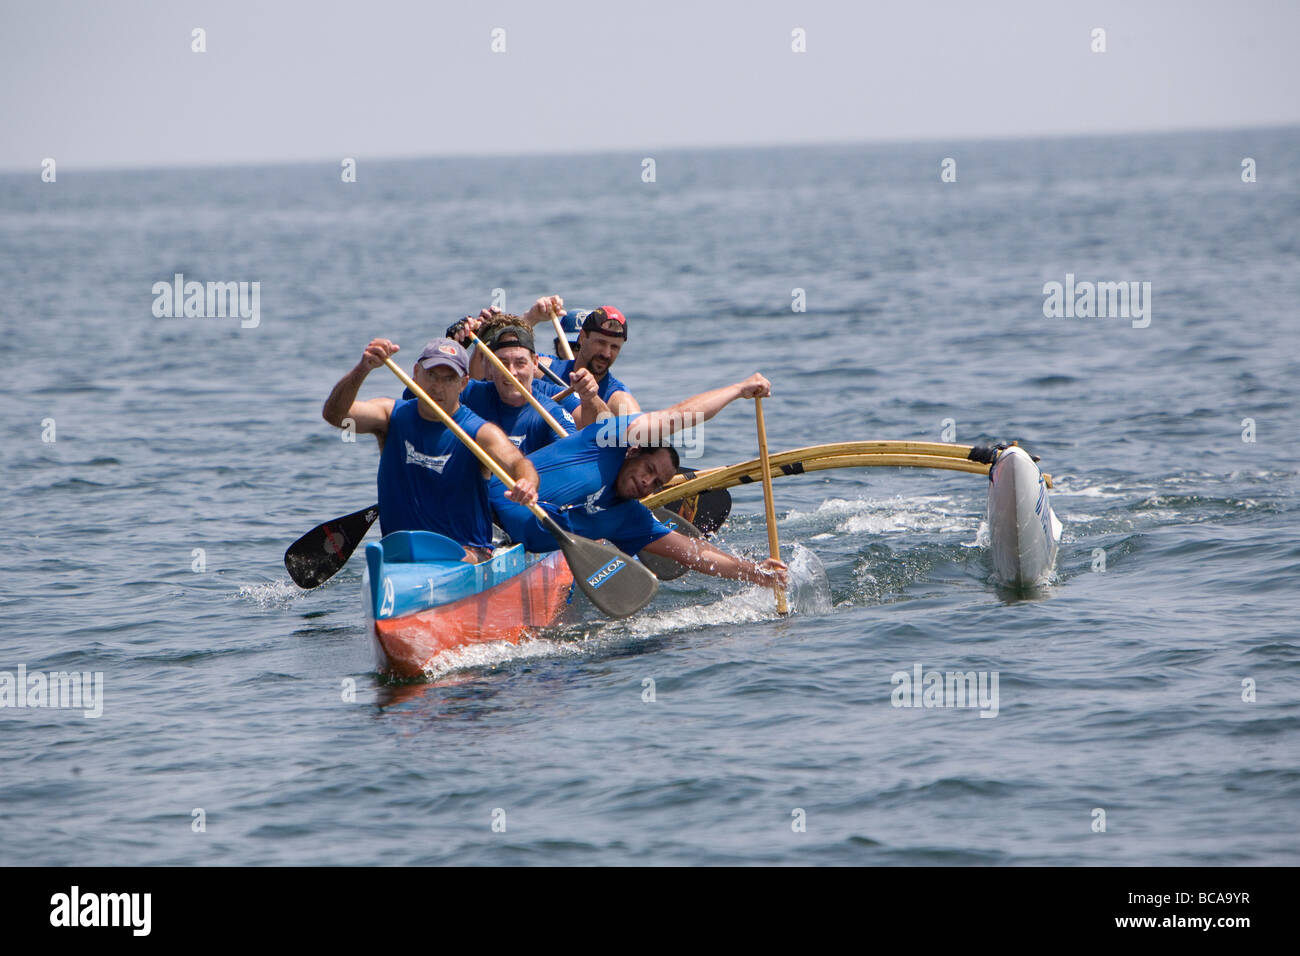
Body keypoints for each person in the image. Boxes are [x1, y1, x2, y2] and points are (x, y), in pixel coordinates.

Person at [492, 373, 789, 588]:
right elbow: (678, 416)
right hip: (477, 514)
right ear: (633, 450)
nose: (648, 483)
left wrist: (756, 573)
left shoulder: (629, 518)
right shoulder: (606, 441)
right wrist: (739, 389)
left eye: (658, 483)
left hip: (505, 549)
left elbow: (694, 552)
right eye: (648, 469)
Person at [321, 337, 539, 563]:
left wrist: (527, 483)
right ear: (415, 373)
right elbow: (335, 415)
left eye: (449, 379)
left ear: (463, 384)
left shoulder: (479, 432)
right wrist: (362, 370)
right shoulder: (390, 416)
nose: (437, 386)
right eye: (432, 375)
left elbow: (518, 463)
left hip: (465, 554)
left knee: (455, 556)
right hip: (401, 553)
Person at [458, 323, 577, 454]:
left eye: (520, 363)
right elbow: (435, 392)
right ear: (490, 366)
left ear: (535, 363)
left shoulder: (553, 414)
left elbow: (572, 459)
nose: (511, 372)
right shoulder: (470, 393)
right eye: (502, 363)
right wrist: (453, 347)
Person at [534, 306, 640, 416]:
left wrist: (592, 398)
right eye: (601, 343)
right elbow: (516, 357)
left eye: (614, 347)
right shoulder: (543, 369)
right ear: (582, 338)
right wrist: (531, 318)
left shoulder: (620, 401)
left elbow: (642, 431)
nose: (606, 354)